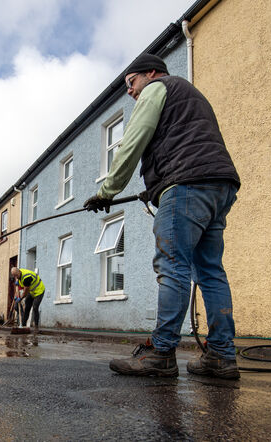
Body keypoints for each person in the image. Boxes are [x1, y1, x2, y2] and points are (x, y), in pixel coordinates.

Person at [84, 53, 241, 379]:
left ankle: (161, 351)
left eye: (131, 82)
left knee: (173, 266)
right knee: (210, 272)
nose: (130, 91)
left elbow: (133, 141)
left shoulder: (158, 87)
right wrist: (154, 187)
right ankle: (222, 356)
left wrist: (107, 192)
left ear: (150, 73)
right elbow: (184, 143)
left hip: (186, 186)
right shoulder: (189, 94)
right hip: (218, 186)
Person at [10, 267, 45, 332]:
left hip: (39, 291)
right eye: (14, 276)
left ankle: (36, 327)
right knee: (27, 308)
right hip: (31, 291)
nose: (16, 277)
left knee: (35, 307)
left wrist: (20, 298)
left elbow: (25, 292)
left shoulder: (26, 278)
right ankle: (23, 325)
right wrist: (17, 295)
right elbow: (20, 286)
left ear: (19, 272)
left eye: (16, 275)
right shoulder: (19, 275)